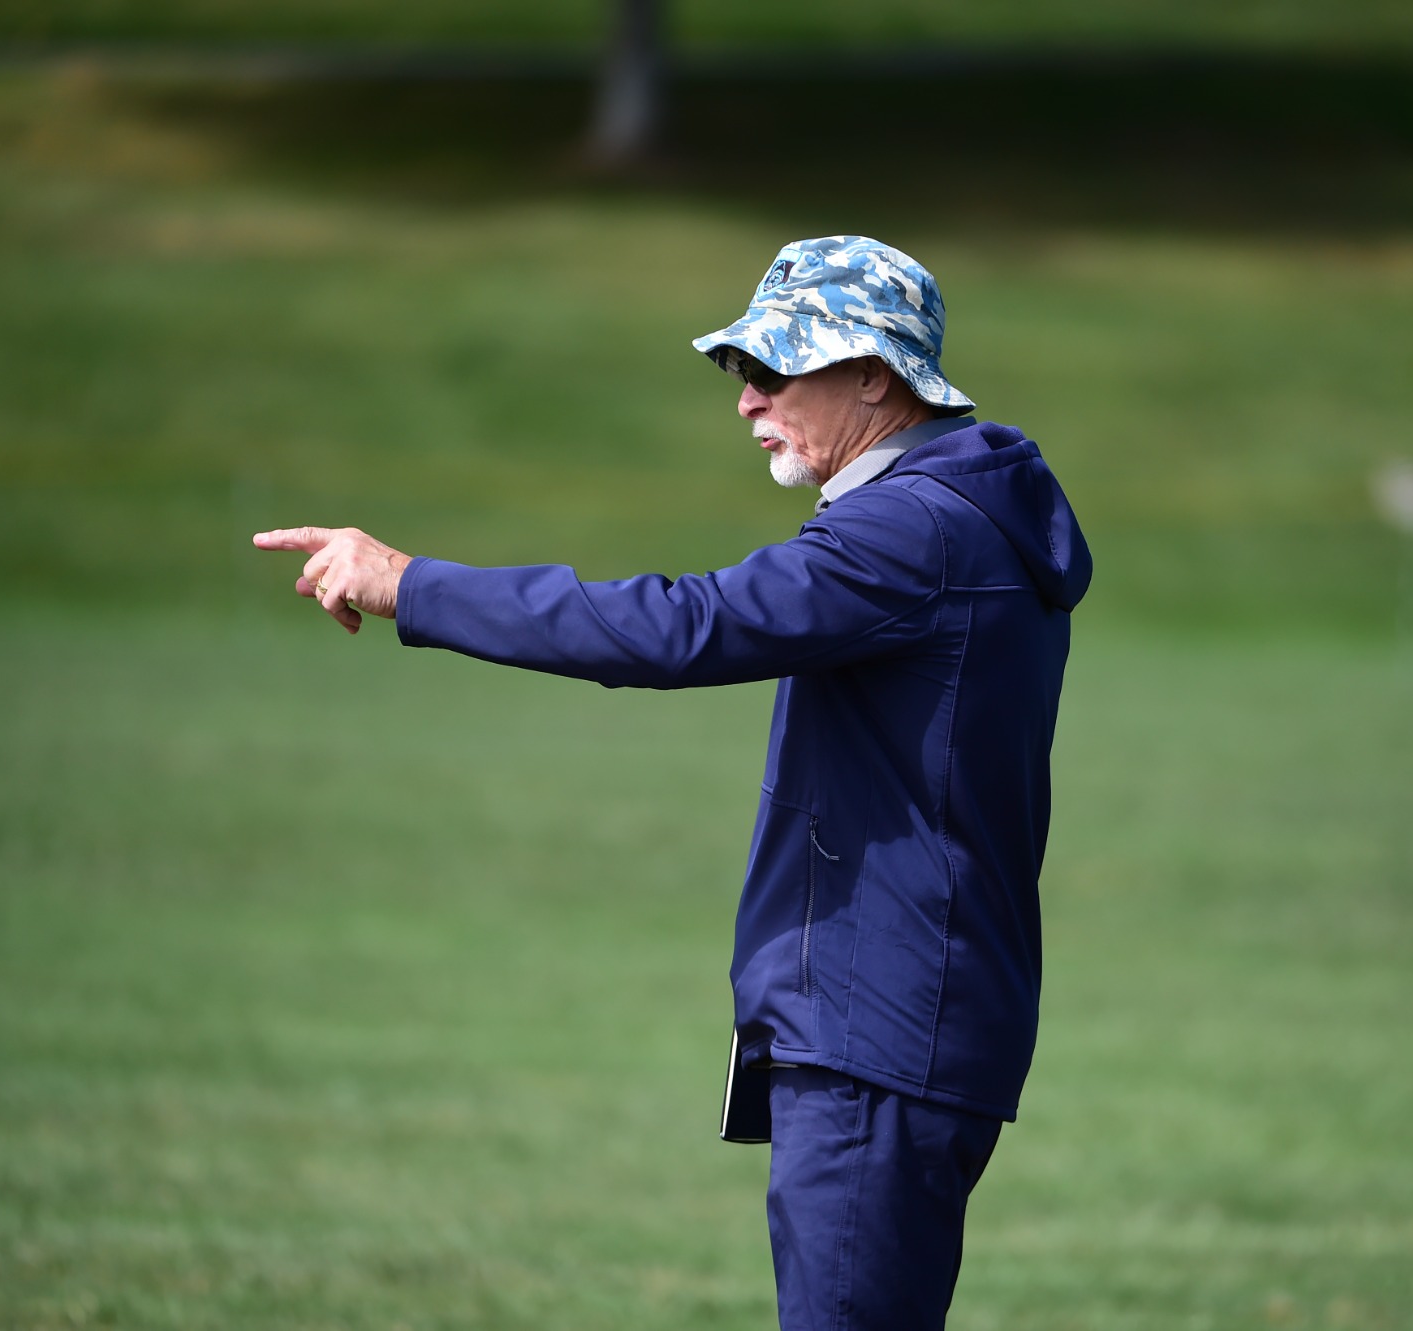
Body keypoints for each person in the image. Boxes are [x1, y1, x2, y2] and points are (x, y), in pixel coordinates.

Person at [254, 235, 1091, 1330]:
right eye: (738, 371)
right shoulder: (959, 508)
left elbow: (675, 628)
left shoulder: (913, 529)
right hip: (897, 1020)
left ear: (873, 376)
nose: (745, 400)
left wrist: (413, 585)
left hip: (877, 1027)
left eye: (772, 368)